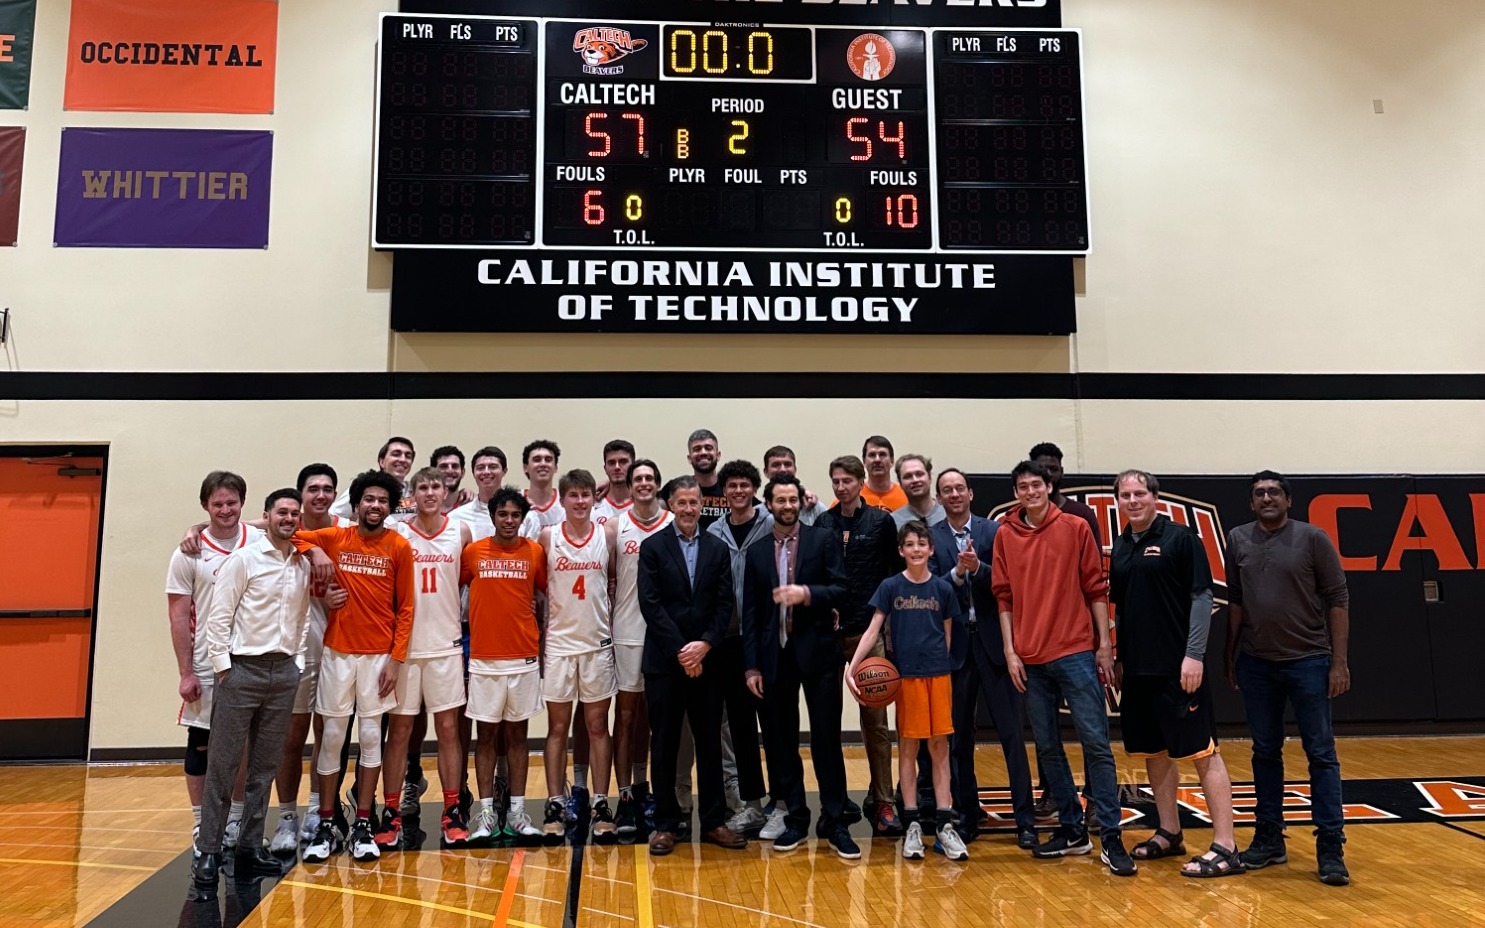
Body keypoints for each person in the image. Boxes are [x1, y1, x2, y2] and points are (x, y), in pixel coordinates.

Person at [992, 460, 1135, 876]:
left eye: (1036, 484)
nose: (1030, 491)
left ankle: (1110, 836)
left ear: (1049, 486)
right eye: (1022, 486)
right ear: (1016, 492)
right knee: (1048, 749)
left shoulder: (1074, 528)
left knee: (1096, 745)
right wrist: (1010, 651)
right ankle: (1073, 830)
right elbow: (1003, 598)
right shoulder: (1005, 534)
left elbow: (1095, 588)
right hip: (1030, 658)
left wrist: (1104, 645)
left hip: (1074, 652)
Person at [1111, 470, 1243, 877]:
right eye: (1125, 495)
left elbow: (1202, 598)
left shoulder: (1181, 539)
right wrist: (1118, 657)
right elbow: (1122, 607)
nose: (1132, 500)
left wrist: (1194, 655)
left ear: (1155, 497)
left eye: (1139, 493)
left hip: (1178, 668)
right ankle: (1169, 831)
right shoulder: (1121, 546)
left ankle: (1226, 845)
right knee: (1154, 751)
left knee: (1203, 751)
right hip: (1137, 668)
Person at [1224, 470, 1352, 886]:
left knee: (1321, 754)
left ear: (1288, 499)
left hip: (1309, 661)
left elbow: (1337, 597)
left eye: (1274, 492)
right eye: (1259, 493)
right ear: (1251, 502)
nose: (1266, 498)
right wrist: (1231, 655)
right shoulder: (1238, 538)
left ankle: (1330, 844)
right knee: (1264, 752)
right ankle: (1269, 838)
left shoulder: (1313, 538)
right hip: (1257, 663)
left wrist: (1339, 662)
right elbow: (1237, 601)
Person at [192, 488, 314, 890]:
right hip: (241, 671)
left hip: (282, 674)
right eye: (282, 512)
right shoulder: (243, 559)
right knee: (224, 766)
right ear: (267, 516)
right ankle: (209, 850)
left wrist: (296, 663)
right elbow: (218, 617)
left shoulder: (301, 564)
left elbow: (301, 621)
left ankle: (249, 846)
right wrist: (225, 670)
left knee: (264, 767)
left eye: (295, 514)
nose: (289, 518)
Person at [295, 469, 416, 863]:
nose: (375, 506)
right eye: (369, 500)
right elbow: (284, 532)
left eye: (383, 501)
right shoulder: (335, 537)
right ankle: (327, 823)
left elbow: (407, 608)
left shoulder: (399, 546)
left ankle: (364, 821)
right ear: (358, 503)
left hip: (379, 657)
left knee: (369, 737)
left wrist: (396, 661)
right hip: (337, 653)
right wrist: (313, 550)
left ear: (390, 506)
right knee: (331, 737)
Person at [743, 473, 856, 859]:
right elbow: (753, 614)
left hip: (820, 655)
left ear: (799, 502)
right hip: (776, 658)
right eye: (780, 500)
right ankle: (795, 819)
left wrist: (805, 593)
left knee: (827, 740)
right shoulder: (757, 552)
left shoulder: (823, 539)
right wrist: (752, 667)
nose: (788, 506)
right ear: (769, 504)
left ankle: (835, 820)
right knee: (782, 743)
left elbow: (842, 589)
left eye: (793, 500)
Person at [638, 477, 748, 855]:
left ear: (702, 505)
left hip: (708, 663)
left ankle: (714, 821)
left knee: (710, 744)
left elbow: (724, 605)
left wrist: (703, 646)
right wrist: (681, 652)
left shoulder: (717, 549)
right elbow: (650, 604)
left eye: (693, 502)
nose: (687, 509)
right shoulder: (652, 548)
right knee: (665, 743)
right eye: (681, 503)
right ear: (670, 505)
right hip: (665, 664)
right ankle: (666, 824)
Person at [927, 468, 1036, 849]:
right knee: (959, 740)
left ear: (971, 493)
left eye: (960, 488)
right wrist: (958, 572)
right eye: (947, 490)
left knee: (1011, 735)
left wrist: (981, 568)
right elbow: (932, 590)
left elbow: (1011, 584)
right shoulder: (932, 538)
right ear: (939, 499)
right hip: (956, 648)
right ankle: (967, 816)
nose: (954, 494)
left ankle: (1025, 820)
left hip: (994, 644)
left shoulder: (994, 532)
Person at [848, 520, 968, 861]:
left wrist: (940, 667)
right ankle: (913, 821)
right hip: (907, 678)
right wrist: (853, 666)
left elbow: (946, 636)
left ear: (931, 550)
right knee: (910, 749)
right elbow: (873, 631)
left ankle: (945, 825)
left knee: (940, 747)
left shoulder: (943, 589)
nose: (916, 549)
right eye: (910, 544)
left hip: (937, 676)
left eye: (922, 544)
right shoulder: (890, 586)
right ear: (901, 551)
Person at [377, 467, 474, 850]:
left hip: (446, 646)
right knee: (400, 731)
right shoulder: (397, 532)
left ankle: (453, 811)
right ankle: (391, 811)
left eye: (436, 486)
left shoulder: (460, 532)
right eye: (423, 487)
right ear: (412, 495)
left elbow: (465, 583)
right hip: (405, 649)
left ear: (445, 491)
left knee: (448, 729)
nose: (430, 492)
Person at [167, 471, 262, 855]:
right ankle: (201, 822)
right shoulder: (188, 552)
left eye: (232, 502)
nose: (225, 510)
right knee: (200, 741)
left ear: (242, 503)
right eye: (217, 504)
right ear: (205, 505)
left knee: (242, 744)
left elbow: (286, 521)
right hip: (208, 662)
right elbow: (177, 615)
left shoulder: (257, 541)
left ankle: (235, 820)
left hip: (250, 658)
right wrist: (185, 671)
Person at [814, 454, 902, 836]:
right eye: (835, 481)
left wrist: (888, 627)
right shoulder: (823, 522)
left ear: (859, 481)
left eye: (847, 480)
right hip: (829, 638)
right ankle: (834, 802)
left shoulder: (880, 522)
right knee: (826, 723)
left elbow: (892, 577)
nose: (840, 487)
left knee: (876, 724)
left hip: (869, 635)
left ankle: (883, 801)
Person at [269, 464, 352, 853]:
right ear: (301, 494)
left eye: (328, 488)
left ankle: (321, 810)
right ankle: (286, 816)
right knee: (291, 739)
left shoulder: (346, 529)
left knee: (329, 737)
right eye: (313, 488)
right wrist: (195, 529)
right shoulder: (287, 529)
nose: (320, 494)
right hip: (297, 650)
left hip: (338, 648)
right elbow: (245, 521)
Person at [461, 487, 548, 842]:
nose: (509, 521)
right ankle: (484, 815)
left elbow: (543, 595)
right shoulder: (473, 552)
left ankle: (515, 812)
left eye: (515, 515)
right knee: (486, 737)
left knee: (517, 735)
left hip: (524, 655)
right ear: (492, 516)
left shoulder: (535, 552)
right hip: (484, 658)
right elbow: (456, 591)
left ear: (523, 518)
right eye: (503, 515)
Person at [538, 469, 620, 842]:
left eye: (586, 495)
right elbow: (540, 589)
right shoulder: (547, 536)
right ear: (563, 498)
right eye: (573, 495)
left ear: (593, 498)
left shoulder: (607, 534)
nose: (580, 501)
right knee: (557, 729)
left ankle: (601, 803)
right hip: (559, 645)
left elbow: (613, 580)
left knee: (597, 727)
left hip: (597, 644)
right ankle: (556, 802)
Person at [705, 459, 776, 838]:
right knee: (742, 725)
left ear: (753, 488)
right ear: (725, 491)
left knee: (776, 723)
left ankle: (782, 803)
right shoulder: (715, 531)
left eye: (744, 485)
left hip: (766, 638)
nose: (738, 491)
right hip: (731, 640)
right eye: (731, 486)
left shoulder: (771, 523)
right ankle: (751, 804)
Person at [610, 458, 672, 834]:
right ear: (629, 486)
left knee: (659, 720)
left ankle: (650, 789)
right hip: (627, 631)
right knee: (627, 716)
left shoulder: (672, 523)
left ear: (658, 485)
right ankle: (626, 796)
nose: (644, 483)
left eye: (650, 478)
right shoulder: (616, 526)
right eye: (639, 479)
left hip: (664, 634)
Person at [331, 437, 416, 523]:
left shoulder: (416, 490)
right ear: (381, 462)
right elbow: (332, 515)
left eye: (408, 456)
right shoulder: (365, 487)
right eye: (396, 454)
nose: (403, 459)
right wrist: (354, 528)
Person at [1029, 442, 1101, 543]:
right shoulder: (1022, 516)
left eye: (1053, 469)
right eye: (1043, 469)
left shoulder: (1082, 513)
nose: (1049, 474)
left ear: (1062, 472)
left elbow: (1094, 557)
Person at [762, 445, 827, 525]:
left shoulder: (814, 507)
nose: (782, 469)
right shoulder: (758, 513)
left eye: (787, 464)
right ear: (766, 472)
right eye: (776, 465)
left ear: (795, 469)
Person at [687, 429, 728, 529]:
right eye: (697, 449)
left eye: (708, 448)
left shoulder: (732, 487)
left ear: (718, 455)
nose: (703, 452)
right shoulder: (678, 488)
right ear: (689, 458)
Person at [892, 454, 946, 529]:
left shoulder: (948, 513)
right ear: (900, 483)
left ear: (930, 477)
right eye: (908, 476)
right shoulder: (893, 522)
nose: (915, 480)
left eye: (919, 474)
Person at [522, 440, 565, 528]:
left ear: (555, 467)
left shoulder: (567, 500)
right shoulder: (515, 501)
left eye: (548, 460)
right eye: (537, 460)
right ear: (526, 467)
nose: (543, 464)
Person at [859, 436, 908, 511]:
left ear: (892, 460)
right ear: (864, 461)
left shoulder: (907, 497)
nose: (877, 460)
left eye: (882, 454)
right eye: (872, 455)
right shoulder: (851, 498)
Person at [592, 439, 636, 525]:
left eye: (623, 462)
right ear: (605, 468)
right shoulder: (592, 505)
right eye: (611, 463)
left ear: (634, 466)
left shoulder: (644, 503)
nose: (617, 467)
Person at [431, 445, 473, 512]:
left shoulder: (472, 505)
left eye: (455, 466)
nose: (449, 471)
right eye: (443, 466)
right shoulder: (421, 507)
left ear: (462, 472)